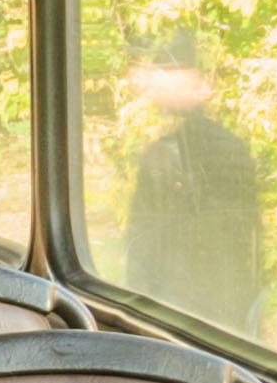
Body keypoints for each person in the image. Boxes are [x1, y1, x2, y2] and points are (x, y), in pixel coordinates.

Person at [106, 17, 264, 331]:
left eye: (173, 72)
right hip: (214, 313)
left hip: (186, 313)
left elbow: (143, 250)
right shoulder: (221, 148)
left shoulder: (165, 156)